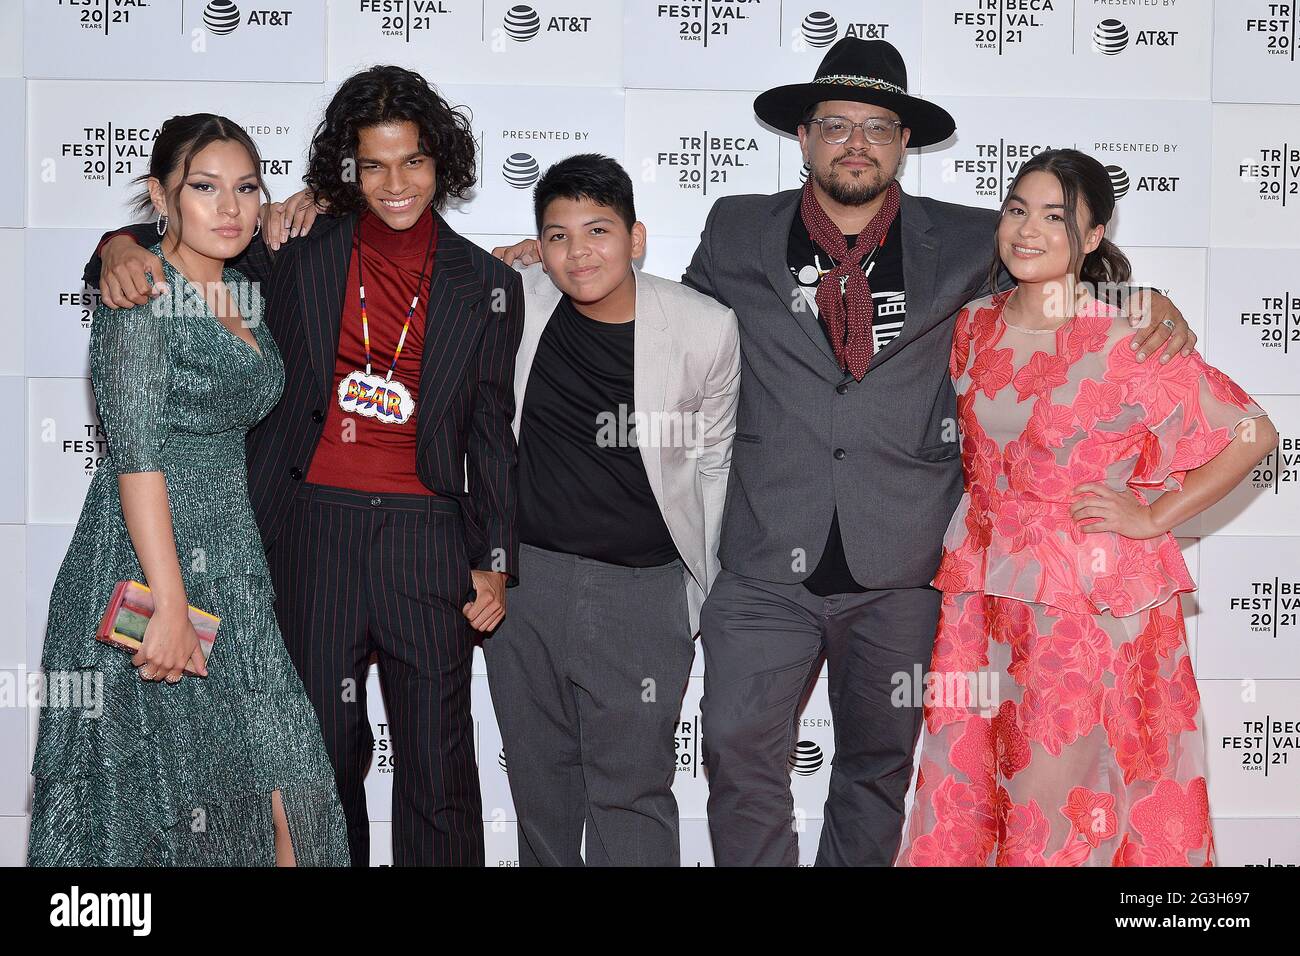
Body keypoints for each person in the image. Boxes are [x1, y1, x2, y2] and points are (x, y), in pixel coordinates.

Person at [492, 36, 1197, 867]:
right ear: (804, 138)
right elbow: (665, 324)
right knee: (737, 760)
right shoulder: (738, 226)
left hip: (901, 568)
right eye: (835, 124)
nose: (854, 141)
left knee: (875, 771)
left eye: (877, 125)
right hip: (759, 566)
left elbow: (1057, 282)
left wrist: (1136, 292)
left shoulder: (973, 240)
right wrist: (553, 260)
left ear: (905, 143)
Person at [83, 66, 525, 867]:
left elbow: (493, 434)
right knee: (315, 769)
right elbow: (180, 262)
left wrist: (493, 561)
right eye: (374, 165)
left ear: (443, 163)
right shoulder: (295, 249)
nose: (397, 183)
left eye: (414, 162)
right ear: (347, 170)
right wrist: (116, 245)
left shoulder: (489, 285)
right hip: (308, 528)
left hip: (427, 538)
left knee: (442, 770)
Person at [896, 149, 1275, 867]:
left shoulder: (1127, 335)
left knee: (1055, 803)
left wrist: (1154, 516)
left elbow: (1251, 433)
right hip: (982, 598)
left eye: (1055, 217)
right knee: (970, 783)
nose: (1028, 229)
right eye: (1016, 210)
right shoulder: (972, 324)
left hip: (1081, 606)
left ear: (1094, 235)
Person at [29, 114, 350, 866]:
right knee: (159, 808)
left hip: (234, 572)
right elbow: (137, 460)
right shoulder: (138, 297)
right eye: (204, 188)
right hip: (146, 570)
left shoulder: (246, 289)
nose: (229, 207)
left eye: (245, 188)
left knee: (290, 802)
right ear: (160, 195)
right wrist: (169, 606)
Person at [483, 154, 739, 865]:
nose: (577, 252)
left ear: (637, 237)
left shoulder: (704, 328)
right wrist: (136, 239)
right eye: (557, 236)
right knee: (540, 789)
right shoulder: (517, 296)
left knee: (633, 794)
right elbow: (414, 260)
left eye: (598, 230)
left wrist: (698, 595)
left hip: (644, 592)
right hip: (526, 586)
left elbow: (715, 465)